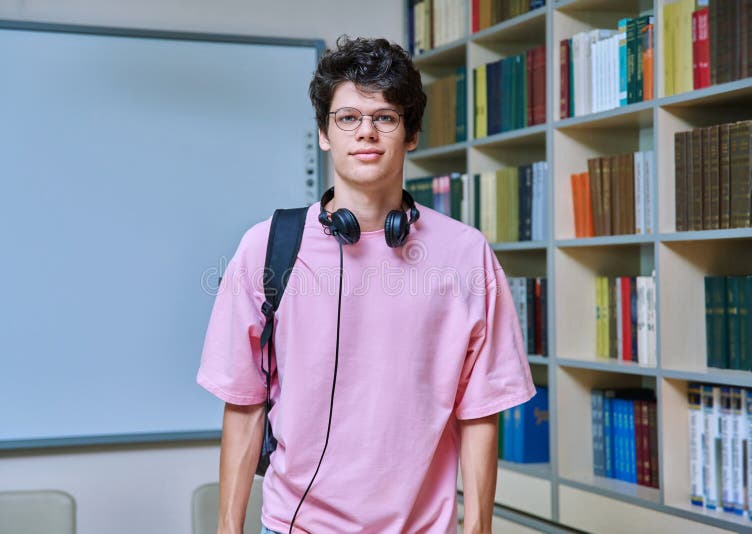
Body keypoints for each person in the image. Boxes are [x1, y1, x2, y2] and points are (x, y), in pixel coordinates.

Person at [197, 36, 535, 534]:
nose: (366, 133)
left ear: (411, 133)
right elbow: (244, 404)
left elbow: (480, 408)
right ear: (324, 134)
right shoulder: (267, 247)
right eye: (348, 118)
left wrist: (478, 528)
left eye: (385, 117)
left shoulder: (466, 254)